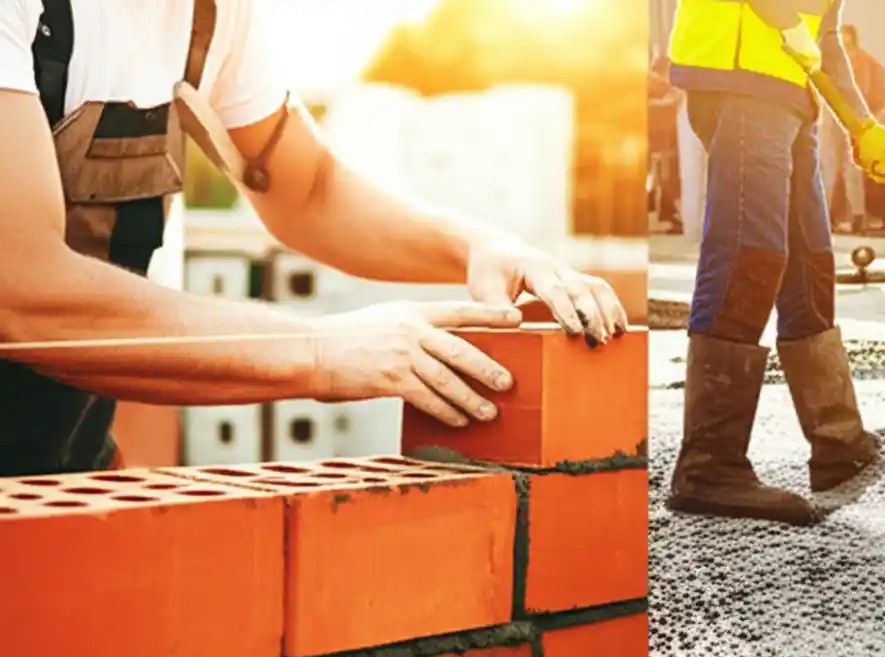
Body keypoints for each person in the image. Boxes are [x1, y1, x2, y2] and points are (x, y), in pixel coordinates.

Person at [0, 0, 628, 477]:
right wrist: (326, 351)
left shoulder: (209, 18)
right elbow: (21, 292)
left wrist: (483, 245)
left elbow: (309, 190)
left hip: (57, 468)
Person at [665, 0, 885, 525]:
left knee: (809, 261)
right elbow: (794, 25)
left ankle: (838, 441)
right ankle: (709, 464)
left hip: (789, 93)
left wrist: (861, 124)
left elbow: (826, 37)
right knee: (750, 252)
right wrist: (783, 21)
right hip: (738, 79)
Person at [819, 23, 885, 234]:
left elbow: (874, 88)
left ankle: (847, 216)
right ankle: (839, 216)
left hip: (842, 111)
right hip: (839, 112)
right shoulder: (862, 60)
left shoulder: (863, 61)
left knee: (844, 167)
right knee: (835, 167)